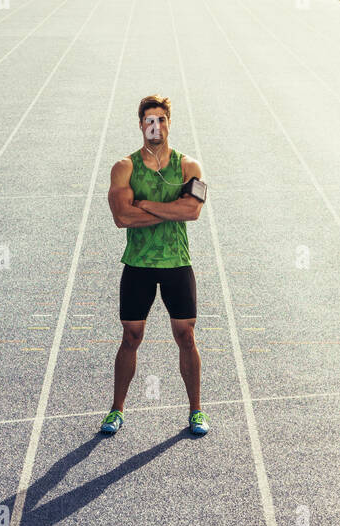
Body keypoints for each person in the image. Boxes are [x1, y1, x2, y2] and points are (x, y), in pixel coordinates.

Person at [101, 95, 209, 437]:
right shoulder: (124, 168)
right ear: (140, 125)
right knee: (131, 336)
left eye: (161, 119)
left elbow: (192, 212)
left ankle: (196, 411)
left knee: (185, 335)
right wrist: (167, 207)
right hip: (138, 264)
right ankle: (116, 410)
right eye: (149, 120)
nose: (155, 126)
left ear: (169, 123)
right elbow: (121, 217)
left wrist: (144, 205)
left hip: (177, 262)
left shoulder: (190, 167)